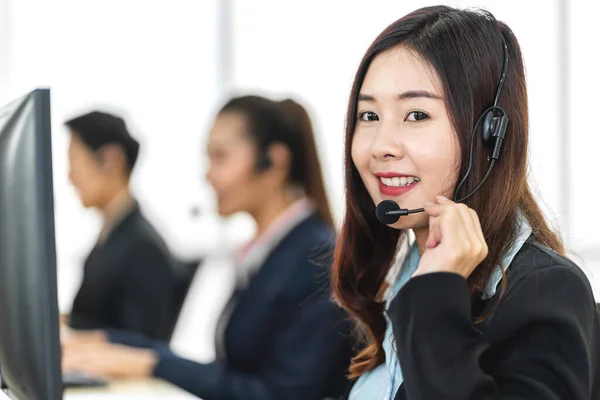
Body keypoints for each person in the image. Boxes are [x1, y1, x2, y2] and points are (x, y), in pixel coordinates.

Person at [331, 6, 600, 400]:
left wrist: (437, 295)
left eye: (416, 114)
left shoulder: (547, 290)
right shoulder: (403, 278)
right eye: (368, 115)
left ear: (488, 134)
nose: (380, 146)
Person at [62, 96, 353, 400]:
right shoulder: (274, 252)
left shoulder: (317, 258)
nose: (208, 174)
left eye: (220, 157)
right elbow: (232, 373)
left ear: (274, 161)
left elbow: (280, 394)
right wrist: (107, 342)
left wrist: (153, 364)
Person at [64, 111, 177, 340]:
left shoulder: (142, 246)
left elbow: (138, 342)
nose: (70, 177)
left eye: (74, 162)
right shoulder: (112, 236)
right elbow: (90, 318)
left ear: (110, 160)